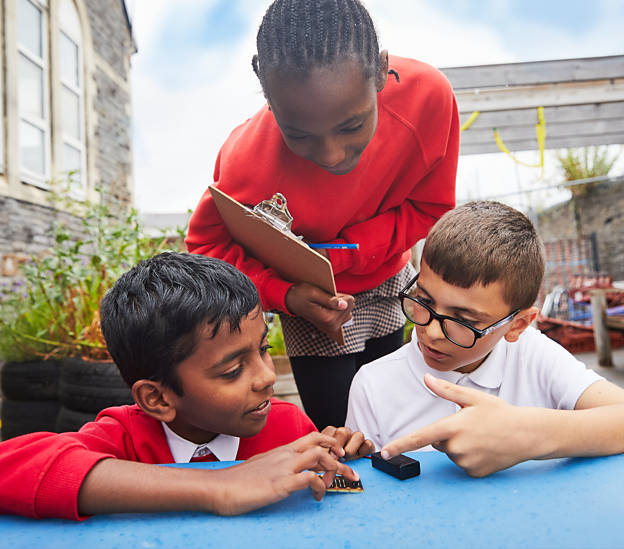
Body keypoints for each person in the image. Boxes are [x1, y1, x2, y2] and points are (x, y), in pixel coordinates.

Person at [185, 0, 459, 431]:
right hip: (308, 305)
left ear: (381, 72)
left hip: (389, 281)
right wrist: (286, 294)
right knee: (337, 430)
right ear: (266, 92)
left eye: (352, 126)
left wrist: (343, 255)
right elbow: (206, 247)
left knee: (398, 419)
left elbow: (432, 206)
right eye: (298, 135)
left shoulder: (428, 98)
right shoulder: (244, 162)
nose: (331, 156)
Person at [0, 253, 374, 520]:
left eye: (263, 350)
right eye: (233, 370)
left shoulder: (289, 427)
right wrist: (221, 484)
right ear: (157, 398)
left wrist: (341, 463)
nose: (267, 377)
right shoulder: (125, 438)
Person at [346, 202, 624, 478]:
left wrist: (529, 433)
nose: (432, 331)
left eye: (464, 320)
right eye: (423, 301)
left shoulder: (533, 356)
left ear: (518, 324)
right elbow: (360, 487)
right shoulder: (373, 385)